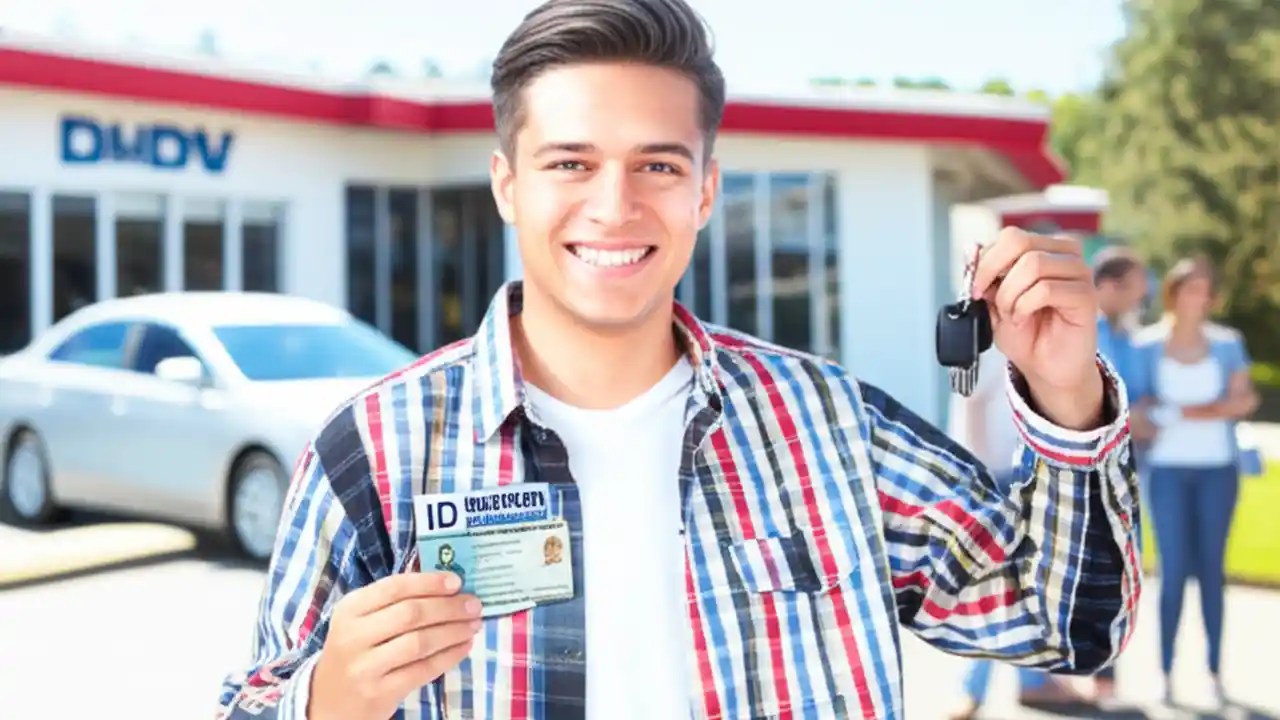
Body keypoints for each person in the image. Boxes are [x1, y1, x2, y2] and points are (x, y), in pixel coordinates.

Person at [215, 2, 1141, 718]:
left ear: (704, 191)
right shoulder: (375, 452)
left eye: (656, 166)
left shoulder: (830, 427)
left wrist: (1065, 398)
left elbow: (1070, 625)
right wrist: (331, 694)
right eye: (570, 164)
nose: (614, 207)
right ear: (507, 186)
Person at [1129, 257, 1259, 708]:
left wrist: (1180, 412)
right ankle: (1165, 672)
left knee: (1210, 571)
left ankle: (1214, 673)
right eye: (1190, 289)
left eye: (1205, 290)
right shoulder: (1147, 346)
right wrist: (1205, 407)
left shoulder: (1227, 344)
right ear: (1173, 293)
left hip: (1216, 469)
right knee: (1172, 571)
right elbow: (1139, 412)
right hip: (1166, 470)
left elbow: (1243, 401)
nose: (1198, 298)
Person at [944, 345, 1092, 719]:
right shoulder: (989, 348)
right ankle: (979, 690)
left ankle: (1029, 682)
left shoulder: (1025, 343)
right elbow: (973, 409)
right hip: (996, 477)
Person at [1089, 245, 1152, 703]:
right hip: (1082, 476)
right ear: (1110, 286)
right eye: (1136, 286)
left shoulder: (1129, 337)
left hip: (1123, 477)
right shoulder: (1082, 330)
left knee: (1117, 581)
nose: (1142, 295)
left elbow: (1140, 392)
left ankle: (1105, 682)